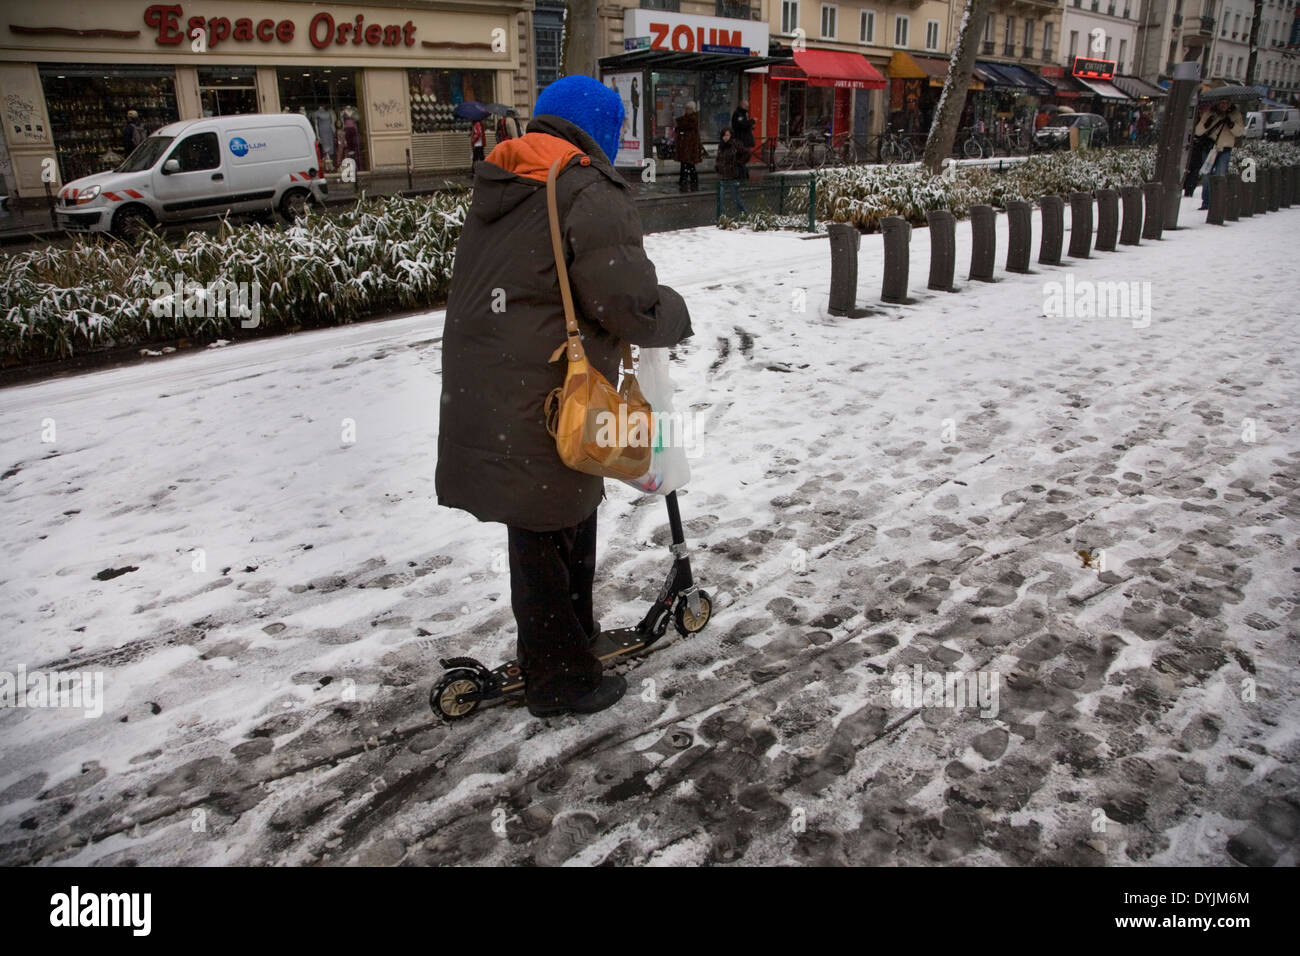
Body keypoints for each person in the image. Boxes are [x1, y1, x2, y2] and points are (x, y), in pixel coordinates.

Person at [435, 74, 694, 719]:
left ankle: (566, 641)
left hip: (490, 390)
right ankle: (559, 678)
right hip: (547, 395)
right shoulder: (585, 188)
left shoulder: (502, 180)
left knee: (552, 521)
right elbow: (627, 302)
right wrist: (674, 316)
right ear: (600, 131)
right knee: (548, 532)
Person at [1194, 99, 1245, 209]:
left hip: (1224, 149)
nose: (1223, 105)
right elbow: (1198, 131)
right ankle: (1206, 202)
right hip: (1209, 149)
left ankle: (1217, 200)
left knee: (1220, 175)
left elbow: (1240, 132)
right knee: (1206, 175)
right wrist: (1207, 123)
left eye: (1226, 103)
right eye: (1221, 102)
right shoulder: (1210, 113)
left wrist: (1231, 125)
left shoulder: (1235, 115)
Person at [714, 126, 748, 216]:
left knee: (735, 198)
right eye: (724, 135)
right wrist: (717, 166)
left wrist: (738, 163)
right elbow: (719, 158)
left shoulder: (735, 144)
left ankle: (745, 213)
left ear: (731, 135)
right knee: (720, 198)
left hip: (732, 175)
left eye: (727, 135)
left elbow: (746, 153)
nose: (726, 137)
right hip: (722, 175)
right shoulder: (721, 146)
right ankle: (720, 216)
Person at [675, 101, 704, 193]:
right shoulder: (689, 119)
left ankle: (687, 180)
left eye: (688, 109)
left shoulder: (692, 119)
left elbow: (683, 125)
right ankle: (687, 180)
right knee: (686, 163)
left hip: (690, 146)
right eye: (686, 109)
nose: (686, 110)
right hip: (687, 146)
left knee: (688, 164)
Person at [730, 98, 756, 163]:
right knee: (743, 156)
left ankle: (742, 169)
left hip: (744, 139)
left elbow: (743, 124)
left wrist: (750, 126)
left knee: (745, 156)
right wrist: (752, 121)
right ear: (742, 105)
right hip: (741, 140)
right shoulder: (738, 114)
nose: (747, 107)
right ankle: (740, 169)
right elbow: (742, 124)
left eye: (748, 106)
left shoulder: (742, 113)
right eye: (746, 106)